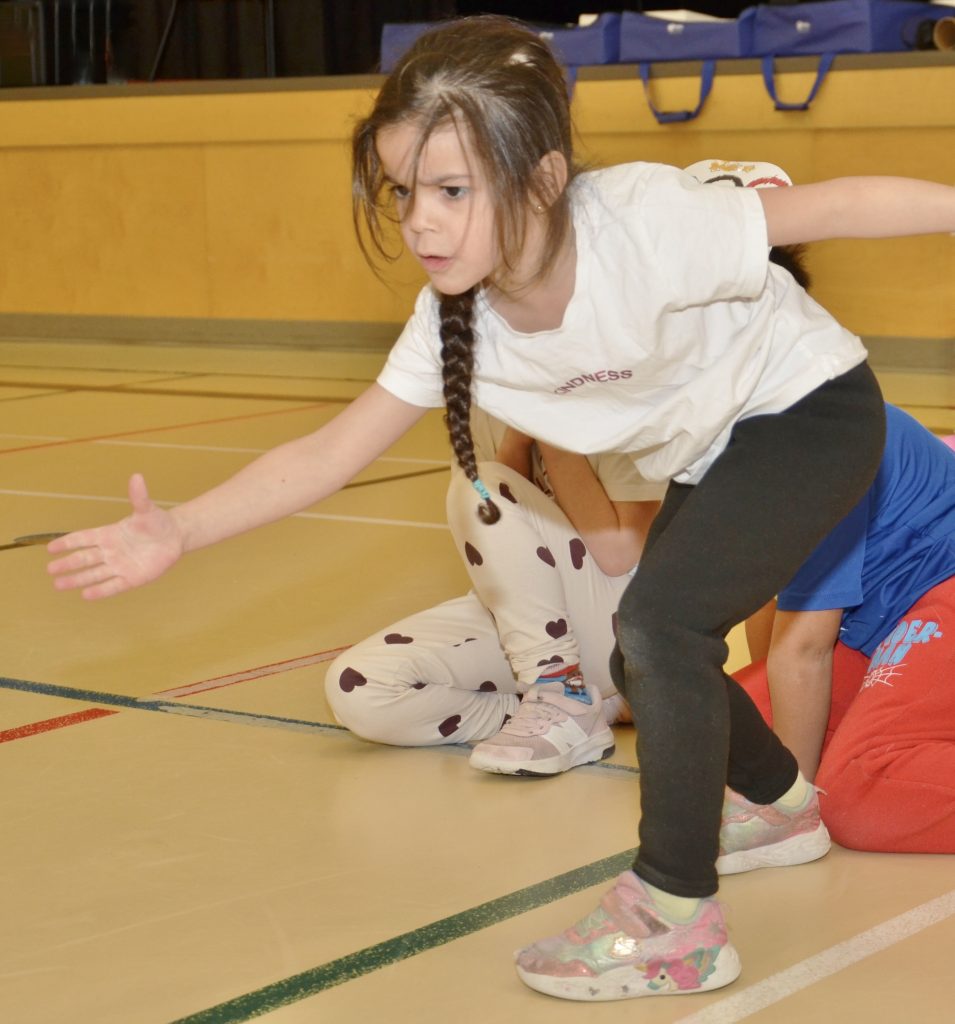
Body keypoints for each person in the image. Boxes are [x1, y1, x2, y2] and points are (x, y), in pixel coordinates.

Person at [45, 15, 955, 1004]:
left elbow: (835, 204)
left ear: (543, 177)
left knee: (662, 628)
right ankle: (779, 803)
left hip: (811, 411)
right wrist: (183, 528)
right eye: (402, 192)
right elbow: (329, 452)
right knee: (639, 653)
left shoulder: (641, 221)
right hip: (714, 445)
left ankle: (676, 919)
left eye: (449, 191)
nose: (418, 222)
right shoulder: (455, 317)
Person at [325, 405, 662, 775]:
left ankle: (560, 689)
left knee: (480, 483)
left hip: (626, 622)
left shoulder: (616, 397)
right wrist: (516, 437)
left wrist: (549, 431)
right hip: (540, 628)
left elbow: (620, 552)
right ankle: (583, 707)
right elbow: (502, 539)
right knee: (359, 687)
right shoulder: (482, 406)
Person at [734, 408, 955, 854]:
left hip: (939, 587)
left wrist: (787, 807)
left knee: (859, 795)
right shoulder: (731, 442)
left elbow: (805, 650)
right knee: (726, 729)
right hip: (878, 619)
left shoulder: (814, 438)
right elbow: (769, 594)